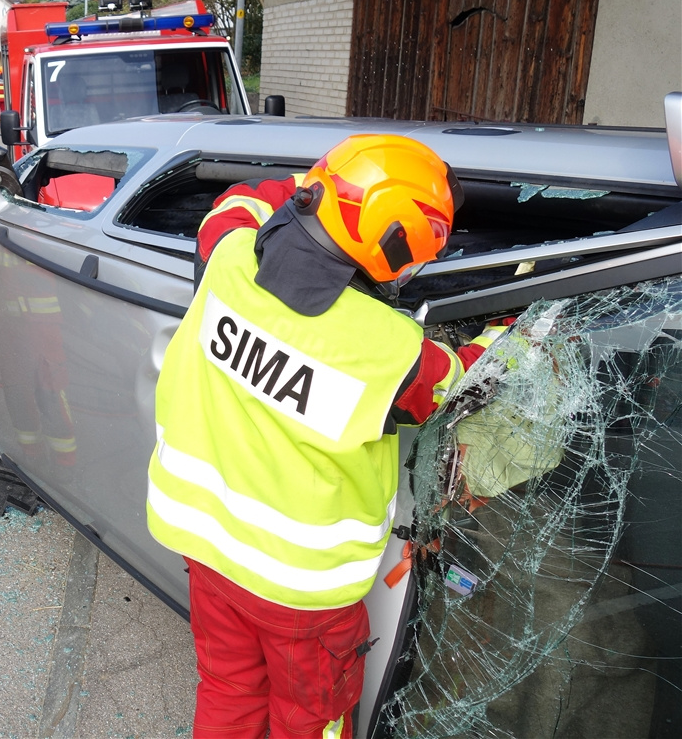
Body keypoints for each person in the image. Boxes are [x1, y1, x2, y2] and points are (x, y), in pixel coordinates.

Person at [146, 135, 506, 738]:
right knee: (308, 720)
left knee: (229, 689)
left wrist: (325, 188)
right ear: (398, 251)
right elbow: (465, 378)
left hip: (205, 548)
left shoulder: (229, 258)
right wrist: (516, 329)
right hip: (303, 591)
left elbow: (238, 201)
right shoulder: (388, 349)